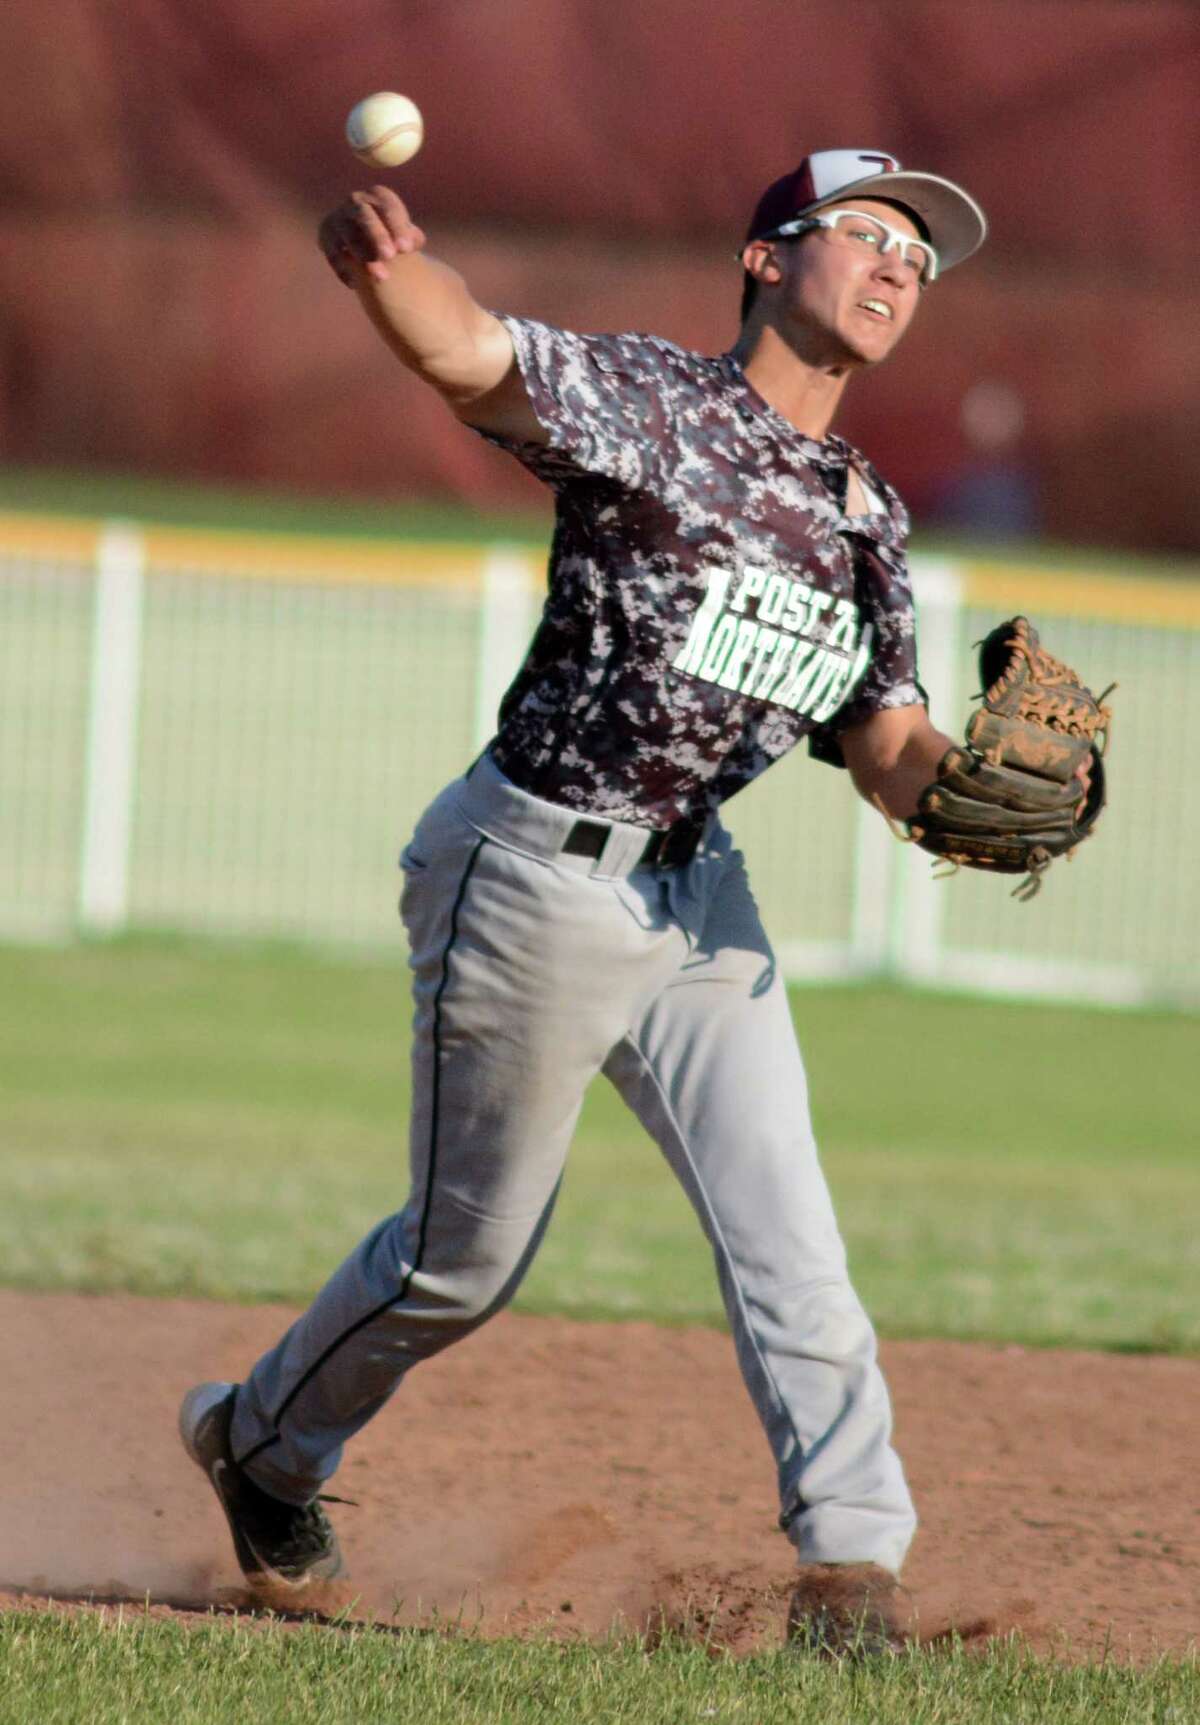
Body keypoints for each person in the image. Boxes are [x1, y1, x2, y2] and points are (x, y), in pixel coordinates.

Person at [180, 148, 988, 1653]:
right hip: (533, 873)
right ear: (767, 259)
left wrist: (980, 799)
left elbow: (884, 742)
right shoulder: (655, 407)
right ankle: (261, 1443)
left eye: (919, 258)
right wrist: (380, 262)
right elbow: (469, 351)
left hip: (702, 897)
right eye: (867, 234)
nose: (897, 268)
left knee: (792, 1241)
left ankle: (852, 1578)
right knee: (458, 1264)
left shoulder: (865, 514)